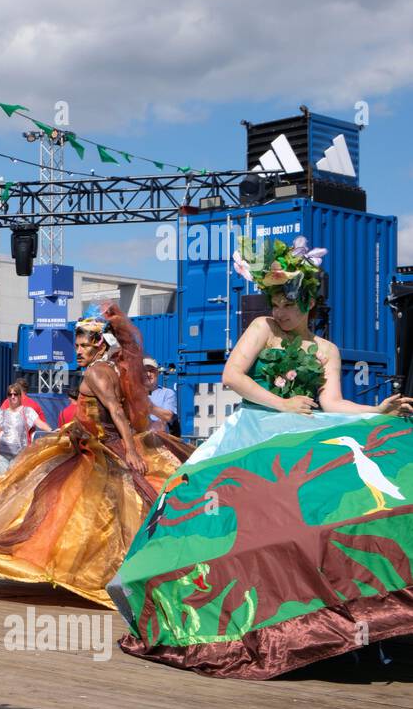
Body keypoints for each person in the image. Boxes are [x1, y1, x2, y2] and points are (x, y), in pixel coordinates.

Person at [109, 236, 413, 678]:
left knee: (310, 519)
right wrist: (282, 402)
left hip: (302, 437)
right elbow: (232, 375)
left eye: (288, 302)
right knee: (218, 513)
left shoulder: (326, 350)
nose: (281, 311)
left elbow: (332, 404)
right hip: (253, 432)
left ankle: (313, 616)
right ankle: (211, 614)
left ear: (308, 302)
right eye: (275, 301)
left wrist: (377, 410)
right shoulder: (262, 330)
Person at [0, 304, 193, 606]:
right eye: (76, 345)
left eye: (82, 345)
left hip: (99, 448)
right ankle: (112, 572)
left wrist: (130, 450)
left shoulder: (97, 372)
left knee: (68, 510)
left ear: (99, 344)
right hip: (90, 444)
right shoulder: (114, 370)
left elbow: (116, 412)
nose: (77, 351)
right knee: (96, 514)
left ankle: (110, 574)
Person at [0, 383, 52, 474]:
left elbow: (40, 423)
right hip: (2, 455)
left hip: (19, 455)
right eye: (10, 394)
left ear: (20, 396)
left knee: (15, 482)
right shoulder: (1, 414)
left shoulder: (27, 411)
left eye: (15, 394)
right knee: (2, 482)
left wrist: (51, 431)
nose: (13, 397)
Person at [143, 357, 178, 435]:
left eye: (151, 371)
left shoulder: (167, 393)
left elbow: (168, 416)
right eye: (144, 371)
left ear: (157, 373)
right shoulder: (133, 394)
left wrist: (149, 407)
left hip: (160, 439)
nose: (148, 374)